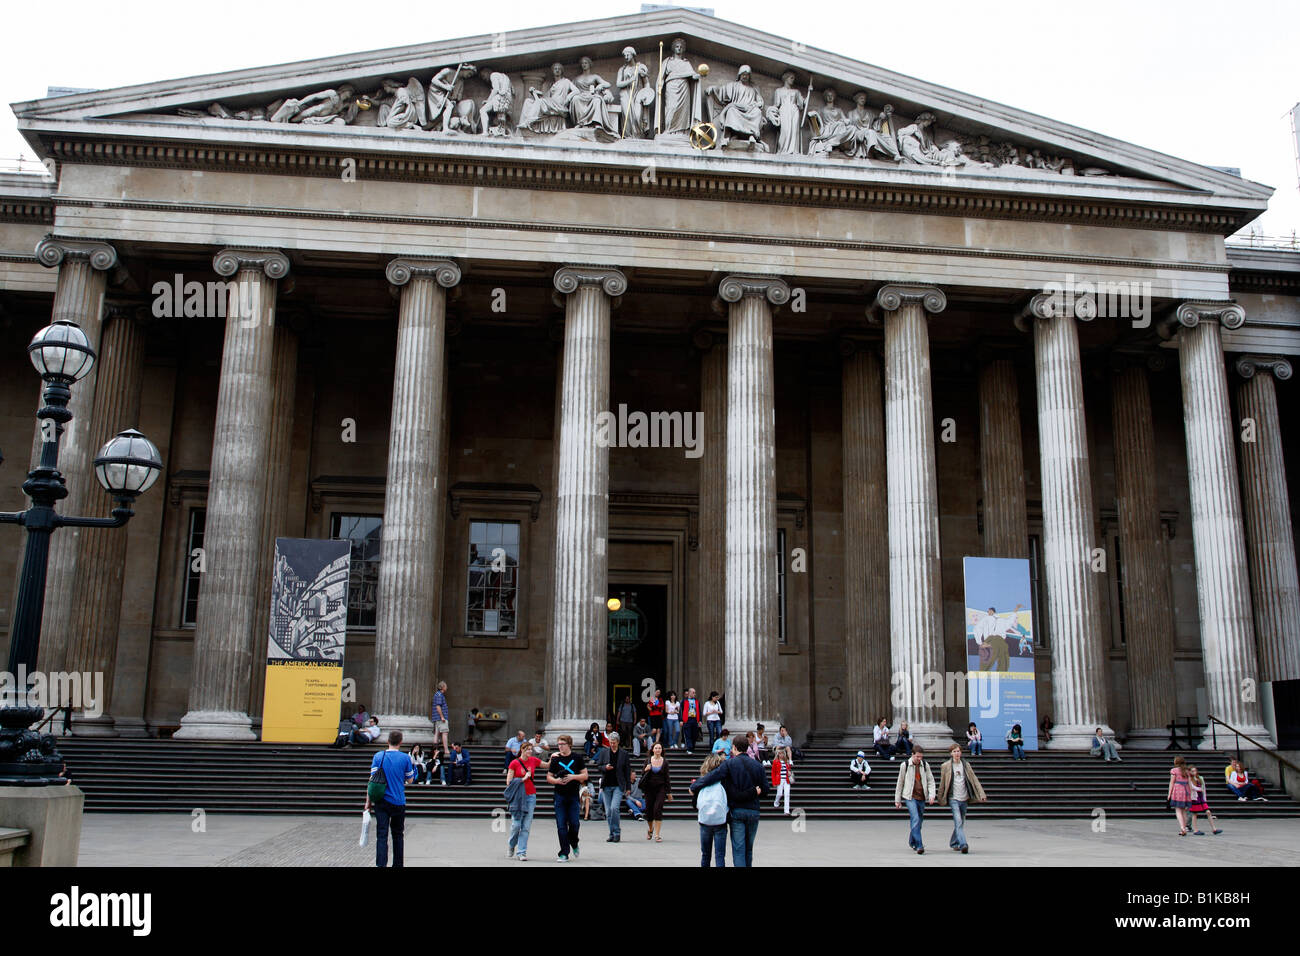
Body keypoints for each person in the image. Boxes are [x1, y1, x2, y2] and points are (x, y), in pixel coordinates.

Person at [688, 735, 770, 868]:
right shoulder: (758, 766)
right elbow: (766, 790)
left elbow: (712, 776)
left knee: (738, 850)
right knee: (748, 849)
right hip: (753, 811)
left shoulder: (730, 764)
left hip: (736, 811)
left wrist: (695, 786)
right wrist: (755, 792)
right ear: (747, 747)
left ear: (734, 748)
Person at [365, 730, 416, 867]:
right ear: (401, 742)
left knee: (382, 835)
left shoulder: (378, 756)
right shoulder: (405, 758)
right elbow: (410, 780)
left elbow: (371, 781)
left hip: (381, 801)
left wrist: (368, 802)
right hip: (398, 801)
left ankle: (381, 864)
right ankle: (398, 864)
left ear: (387, 741)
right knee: (398, 835)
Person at [937, 742, 986, 854]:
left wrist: (981, 794)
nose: (956, 753)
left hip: (964, 797)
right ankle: (963, 844)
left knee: (961, 822)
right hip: (953, 798)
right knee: (958, 821)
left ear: (961, 752)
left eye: (958, 751)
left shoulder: (966, 765)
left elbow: (974, 779)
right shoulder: (945, 766)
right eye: (954, 751)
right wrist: (940, 797)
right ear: (951, 753)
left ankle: (954, 842)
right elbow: (943, 784)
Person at [546, 735, 587, 862]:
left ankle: (574, 842)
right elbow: (549, 777)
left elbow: (585, 775)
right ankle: (564, 853)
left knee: (575, 823)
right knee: (561, 825)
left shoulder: (577, 758)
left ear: (569, 744)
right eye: (558, 744)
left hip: (573, 795)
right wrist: (557, 781)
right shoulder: (555, 759)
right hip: (560, 795)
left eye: (562, 744)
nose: (560, 746)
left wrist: (573, 777)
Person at [893, 745, 936, 854]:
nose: (919, 759)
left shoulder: (925, 765)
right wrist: (897, 799)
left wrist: (932, 794)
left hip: (921, 796)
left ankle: (912, 840)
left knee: (919, 821)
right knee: (915, 818)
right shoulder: (905, 765)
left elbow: (931, 780)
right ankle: (919, 845)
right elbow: (900, 782)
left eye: (921, 757)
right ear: (912, 755)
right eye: (917, 757)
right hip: (910, 796)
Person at [506, 740, 543, 860]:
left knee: (526, 826)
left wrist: (554, 756)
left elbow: (546, 765)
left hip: (531, 796)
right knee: (516, 825)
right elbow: (509, 782)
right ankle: (511, 845)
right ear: (522, 750)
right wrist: (522, 778)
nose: (530, 752)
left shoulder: (533, 760)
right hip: (518, 797)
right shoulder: (514, 763)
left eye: (531, 750)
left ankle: (521, 852)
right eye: (528, 749)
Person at [695, 752, 729, 867]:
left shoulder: (702, 782)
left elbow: (695, 803)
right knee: (720, 855)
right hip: (720, 821)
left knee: (705, 855)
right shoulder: (723, 782)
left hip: (705, 821)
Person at [600, 731, 632, 843]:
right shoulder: (604, 752)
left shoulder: (624, 754)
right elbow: (599, 766)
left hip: (618, 785)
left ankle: (617, 832)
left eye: (614, 742)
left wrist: (628, 787)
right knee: (608, 811)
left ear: (618, 742)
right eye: (610, 742)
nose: (612, 744)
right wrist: (605, 767)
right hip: (606, 785)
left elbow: (627, 771)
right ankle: (611, 833)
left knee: (614, 808)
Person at [640, 741, 673, 841]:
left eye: (660, 748)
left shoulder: (665, 762)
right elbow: (642, 774)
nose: (658, 750)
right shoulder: (648, 760)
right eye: (656, 748)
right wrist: (646, 769)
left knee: (657, 809)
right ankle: (650, 829)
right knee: (649, 811)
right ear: (652, 750)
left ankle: (657, 835)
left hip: (661, 788)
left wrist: (669, 792)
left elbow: (667, 778)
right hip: (649, 788)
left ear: (662, 750)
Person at [1187, 766, 1222, 837]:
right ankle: (1195, 830)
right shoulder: (1189, 779)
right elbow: (1191, 788)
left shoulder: (1199, 778)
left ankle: (1214, 829)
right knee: (1195, 814)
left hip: (1200, 797)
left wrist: (1204, 796)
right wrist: (1199, 789)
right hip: (1195, 797)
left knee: (1208, 812)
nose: (1194, 772)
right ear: (1189, 772)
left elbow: (1203, 788)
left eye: (1195, 771)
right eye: (1192, 771)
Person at [1168, 755, 1194, 835]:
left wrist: (1169, 793)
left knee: (1178, 810)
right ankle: (1185, 827)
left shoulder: (1174, 770)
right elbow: (1190, 782)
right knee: (1184, 811)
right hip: (1186, 790)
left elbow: (1172, 782)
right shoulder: (1186, 771)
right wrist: (1191, 793)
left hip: (1177, 790)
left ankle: (1182, 828)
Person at [771, 747, 794, 815]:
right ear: (777, 754)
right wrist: (774, 782)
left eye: (782, 753)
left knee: (787, 795)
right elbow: (773, 773)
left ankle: (786, 811)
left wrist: (789, 772)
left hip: (786, 780)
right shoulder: (775, 762)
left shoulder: (786, 761)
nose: (781, 755)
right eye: (779, 753)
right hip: (779, 780)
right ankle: (776, 802)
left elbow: (788, 769)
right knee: (779, 794)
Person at [431, 681, 450, 757]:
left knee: (437, 733)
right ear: (442, 687)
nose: (447, 687)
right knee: (445, 733)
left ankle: (435, 750)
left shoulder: (438, 694)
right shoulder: (439, 695)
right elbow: (438, 706)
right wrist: (442, 716)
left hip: (437, 717)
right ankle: (446, 750)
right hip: (441, 718)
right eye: (446, 686)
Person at [681, 689, 702, 753]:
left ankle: (692, 747)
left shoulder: (697, 701)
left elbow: (699, 711)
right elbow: (681, 711)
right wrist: (681, 720)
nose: (694, 694)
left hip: (695, 719)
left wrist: (700, 720)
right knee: (688, 734)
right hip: (687, 719)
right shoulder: (684, 701)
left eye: (695, 693)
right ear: (689, 693)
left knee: (694, 735)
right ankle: (689, 748)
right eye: (693, 692)